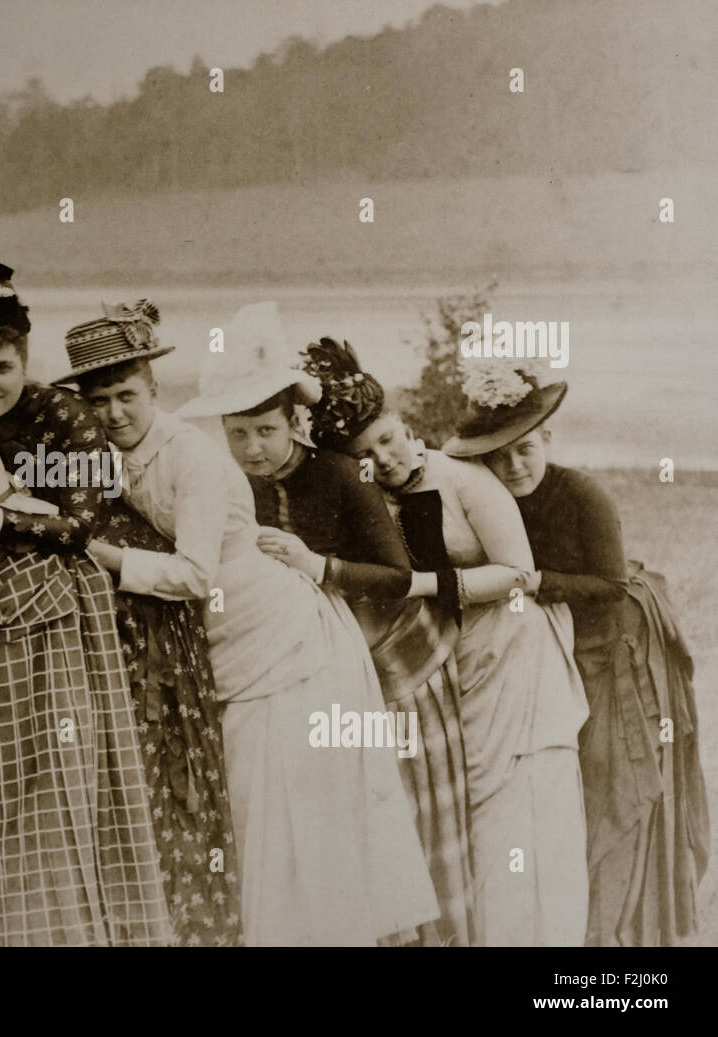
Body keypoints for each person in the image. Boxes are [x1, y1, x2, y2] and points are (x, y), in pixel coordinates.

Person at [61, 301, 439, 946]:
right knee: (253, 803)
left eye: (126, 396)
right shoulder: (122, 451)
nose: (114, 413)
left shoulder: (194, 460)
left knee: (292, 802)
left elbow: (190, 574)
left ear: (152, 391)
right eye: (100, 401)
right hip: (223, 636)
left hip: (285, 641)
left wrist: (97, 554)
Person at [0, 258, 172, 946]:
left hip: (58, 616)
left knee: (56, 775)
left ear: (23, 358)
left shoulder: (60, 415)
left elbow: (79, 526)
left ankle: (65, 927)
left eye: (1, 365)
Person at [209, 311, 473, 947]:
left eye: (265, 431)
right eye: (237, 434)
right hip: (290, 666)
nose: (252, 449)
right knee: (294, 823)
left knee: (369, 824)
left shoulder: (335, 474)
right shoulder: (237, 483)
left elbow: (398, 574)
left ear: (296, 422)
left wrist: (317, 565)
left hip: (368, 664)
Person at [454, 364, 710, 945]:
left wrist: (533, 580)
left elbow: (611, 584)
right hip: (550, 644)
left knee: (610, 777)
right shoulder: (488, 497)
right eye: (499, 457)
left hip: (611, 643)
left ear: (547, 440)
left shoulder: (583, 493)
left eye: (525, 450)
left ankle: (614, 930)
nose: (514, 467)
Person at [340, 356, 590, 946]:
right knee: (481, 820)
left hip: (514, 648)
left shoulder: (461, 478)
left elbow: (518, 572)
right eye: (366, 455)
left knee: (528, 807)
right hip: (457, 664)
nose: (385, 458)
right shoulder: (371, 500)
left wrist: (425, 585)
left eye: (388, 439)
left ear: (405, 426)